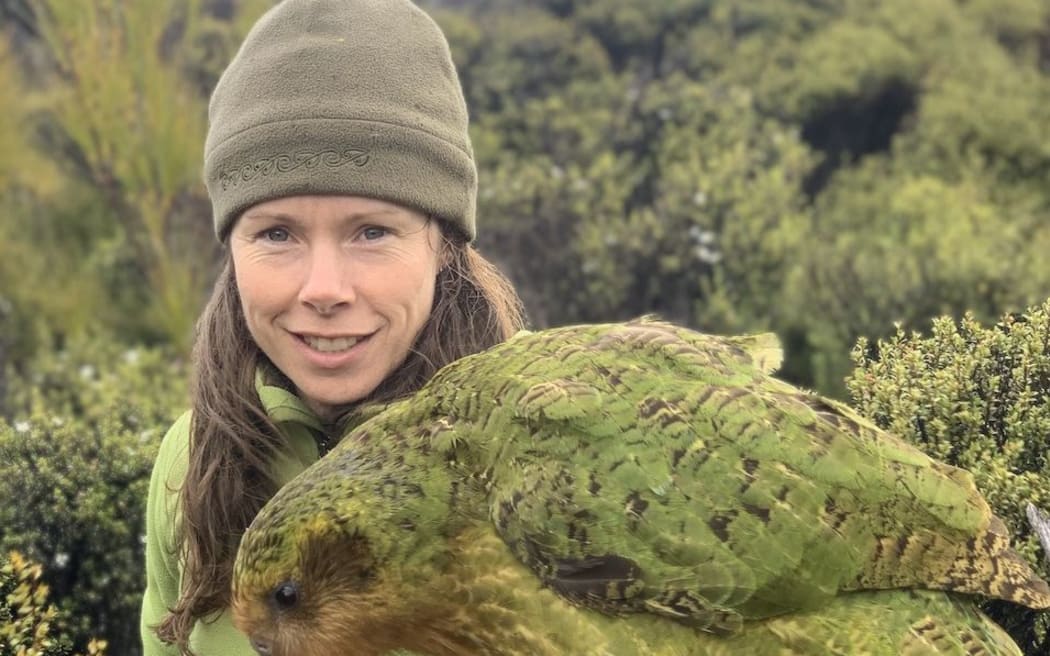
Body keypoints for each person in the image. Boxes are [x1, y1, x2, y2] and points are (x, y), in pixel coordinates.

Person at [139, 0, 526, 653]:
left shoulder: (538, 468)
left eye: (372, 231)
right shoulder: (192, 462)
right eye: (277, 233)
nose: (324, 289)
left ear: (443, 246)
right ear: (231, 248)